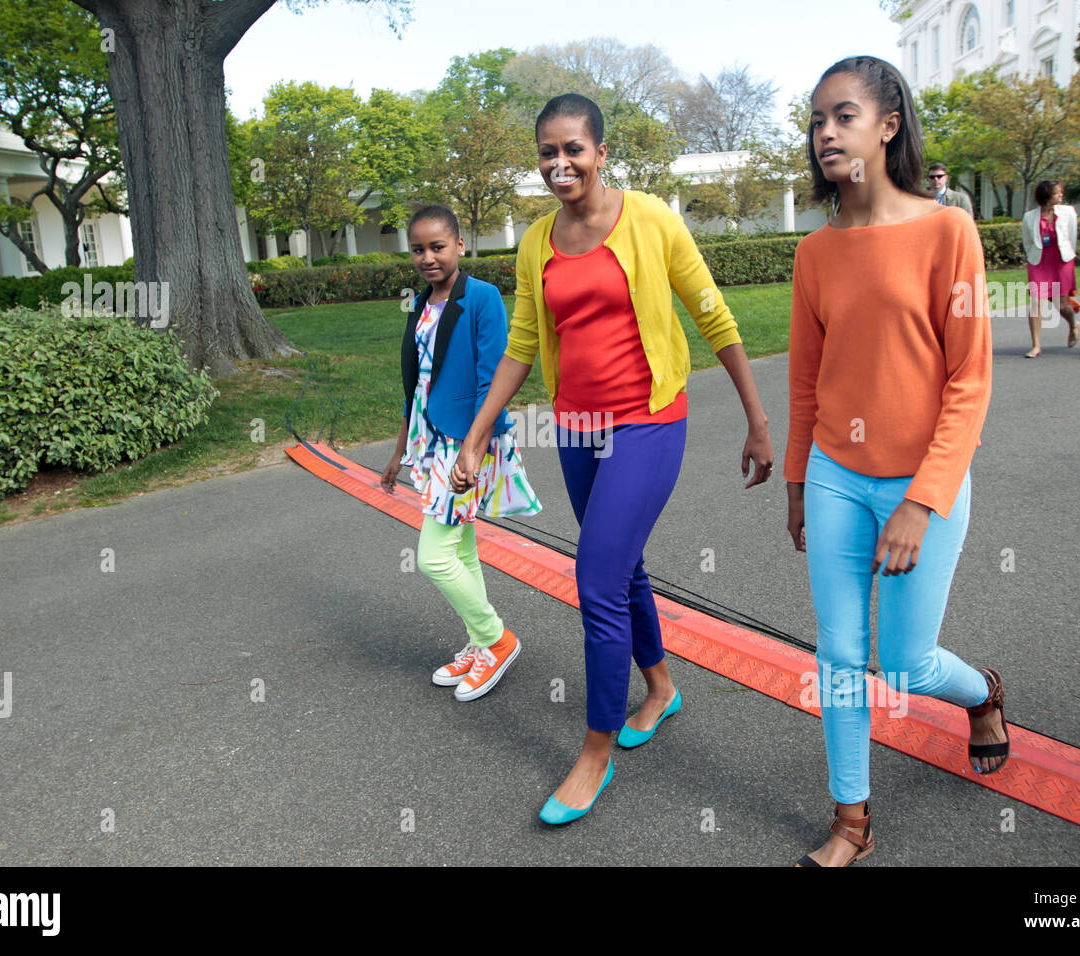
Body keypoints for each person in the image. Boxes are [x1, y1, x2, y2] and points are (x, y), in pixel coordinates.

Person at [449, 93, 775, 824]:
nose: (559, 164)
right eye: (546, 151)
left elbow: (712, 315)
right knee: (622, 568)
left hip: (649, 423)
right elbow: (523, 345)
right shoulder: (536, 240)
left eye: (573, 149)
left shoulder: (652, 218)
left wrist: (757, 420)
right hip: (578, 427)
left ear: (600, 152)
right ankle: (660, 688)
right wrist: (477, 434)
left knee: (594, 580)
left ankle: (593, 751)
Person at [785, 55, 1010, 867]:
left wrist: (922, 499)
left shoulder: (948, 230)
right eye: (816, 121)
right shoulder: (815, 254)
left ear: (887, 126)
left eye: (843, 116)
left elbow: (971, 380)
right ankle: (852, 822)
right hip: (836, 477)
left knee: (907, 665)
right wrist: (797, 482)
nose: (825, 134)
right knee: (840, 655)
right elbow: (805, 382)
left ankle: (982, 694)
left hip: (924, 483)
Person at [380, 204, 541, 702]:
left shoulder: (483, 297)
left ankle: (496, 638)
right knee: (461, 547)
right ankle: (478, 643)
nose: (428, 257)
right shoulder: (420, 305)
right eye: (418, 249)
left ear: (460, 245)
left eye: (438, 246)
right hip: (430, 440)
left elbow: (494, 378)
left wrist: (473, 448)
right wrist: (401, 447)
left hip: (467, 441)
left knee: (432, 557)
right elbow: (417, 382)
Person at [1020, 179, 1080, 357]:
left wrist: (1069, 256)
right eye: (1057, 193)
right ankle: (1036, 345)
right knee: (1036, 302)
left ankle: (1073, 324)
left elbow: (1072, 236)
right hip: (1039, 262)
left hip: (1061, 260)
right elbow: (1027, 241)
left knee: (1060, 305)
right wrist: (1033, 256)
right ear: (1047, 196)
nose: (1061, 195)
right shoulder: (1030, 217)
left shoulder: (1068, 212)